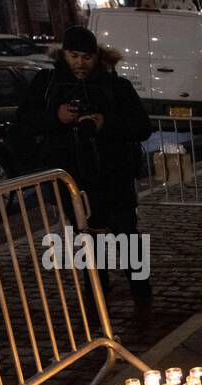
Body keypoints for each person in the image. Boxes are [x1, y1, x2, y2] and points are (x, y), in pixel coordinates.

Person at [18, 25, 154, 307]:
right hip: (73, 180)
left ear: (97, 57)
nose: (80, 63)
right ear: (64, 54)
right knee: (87, 239)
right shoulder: (48, 85)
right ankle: (95, 290)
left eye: (86, 57)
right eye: (74, 55)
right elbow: (24, 122)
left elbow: (142, 126)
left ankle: (141, 291)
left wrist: (106, 123)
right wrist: (56, 117)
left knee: (127, 235)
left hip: (114, 177)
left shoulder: (116, 86)